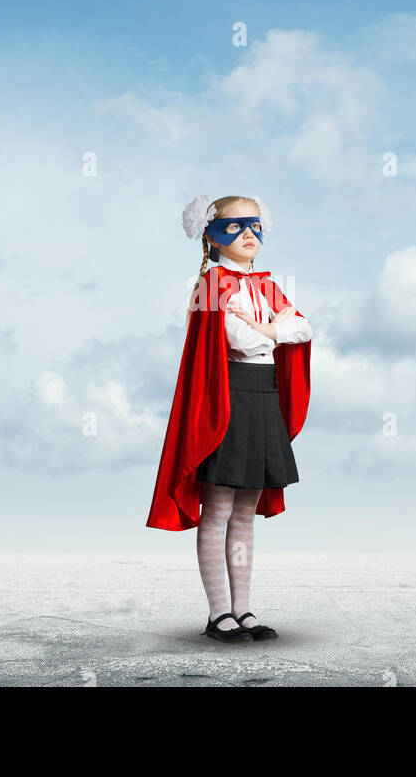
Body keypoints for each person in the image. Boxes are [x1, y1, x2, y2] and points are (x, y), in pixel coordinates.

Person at [146, 195, 312, 643]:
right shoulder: (211, 284)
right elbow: (235, 339)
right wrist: (271, 329)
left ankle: (243, 610)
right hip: (227, 396)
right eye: (237, 226)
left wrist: (269, 329)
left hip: (263, 396)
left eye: (255, 226)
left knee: (245, 513)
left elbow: (303, 328)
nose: (248, 235)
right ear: (212, 235)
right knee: (217, 508)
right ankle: (218, 613)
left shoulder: (264, 284)